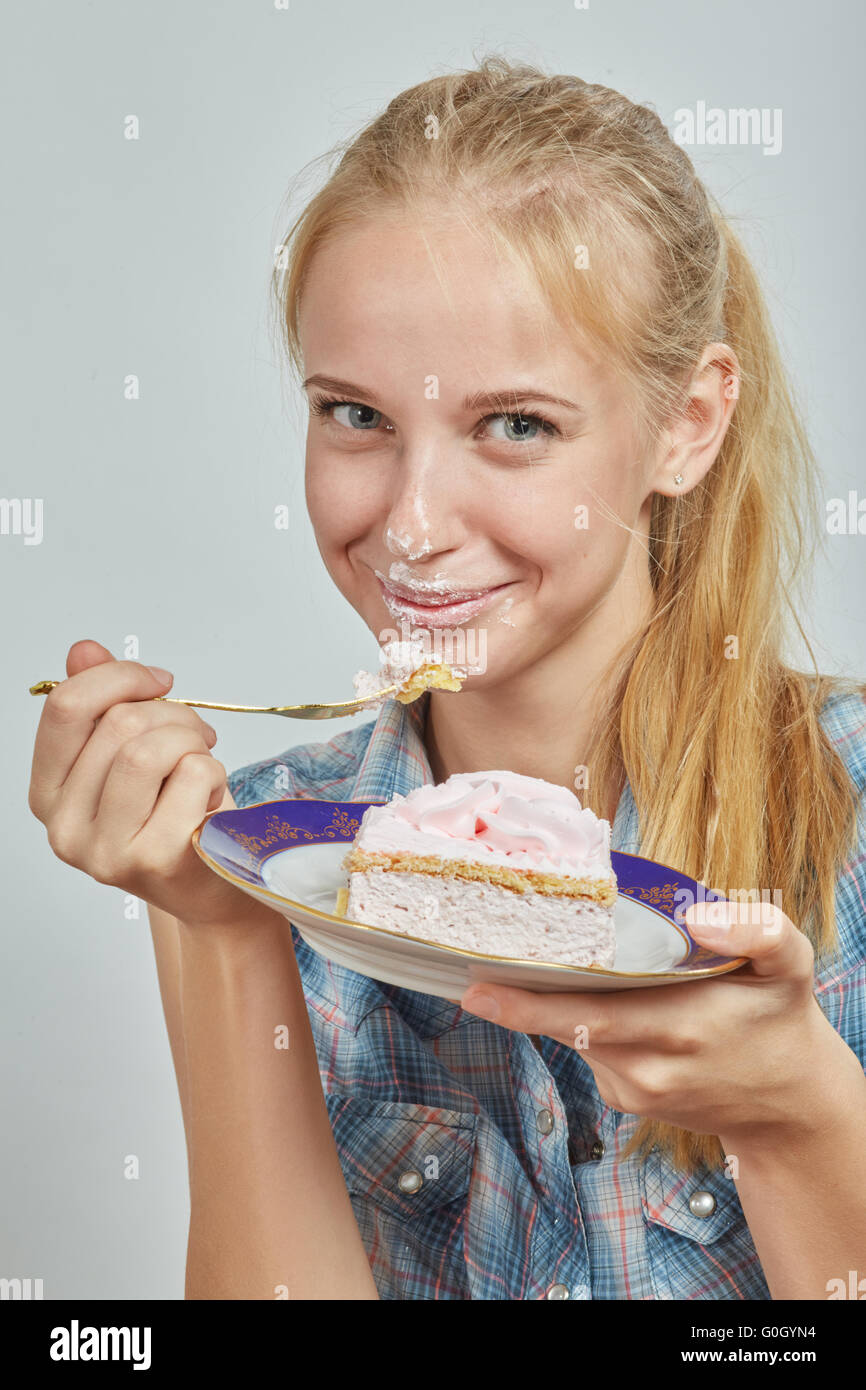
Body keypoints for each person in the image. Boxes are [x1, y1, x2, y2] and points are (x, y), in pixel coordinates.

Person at [29, 56, 866, 1300]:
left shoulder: (843, 807)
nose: (412, 523)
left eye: (513, 426)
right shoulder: (275, 855)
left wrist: (798, 1115)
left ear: (686, 424)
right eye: (354, 416)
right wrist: (218, 934)